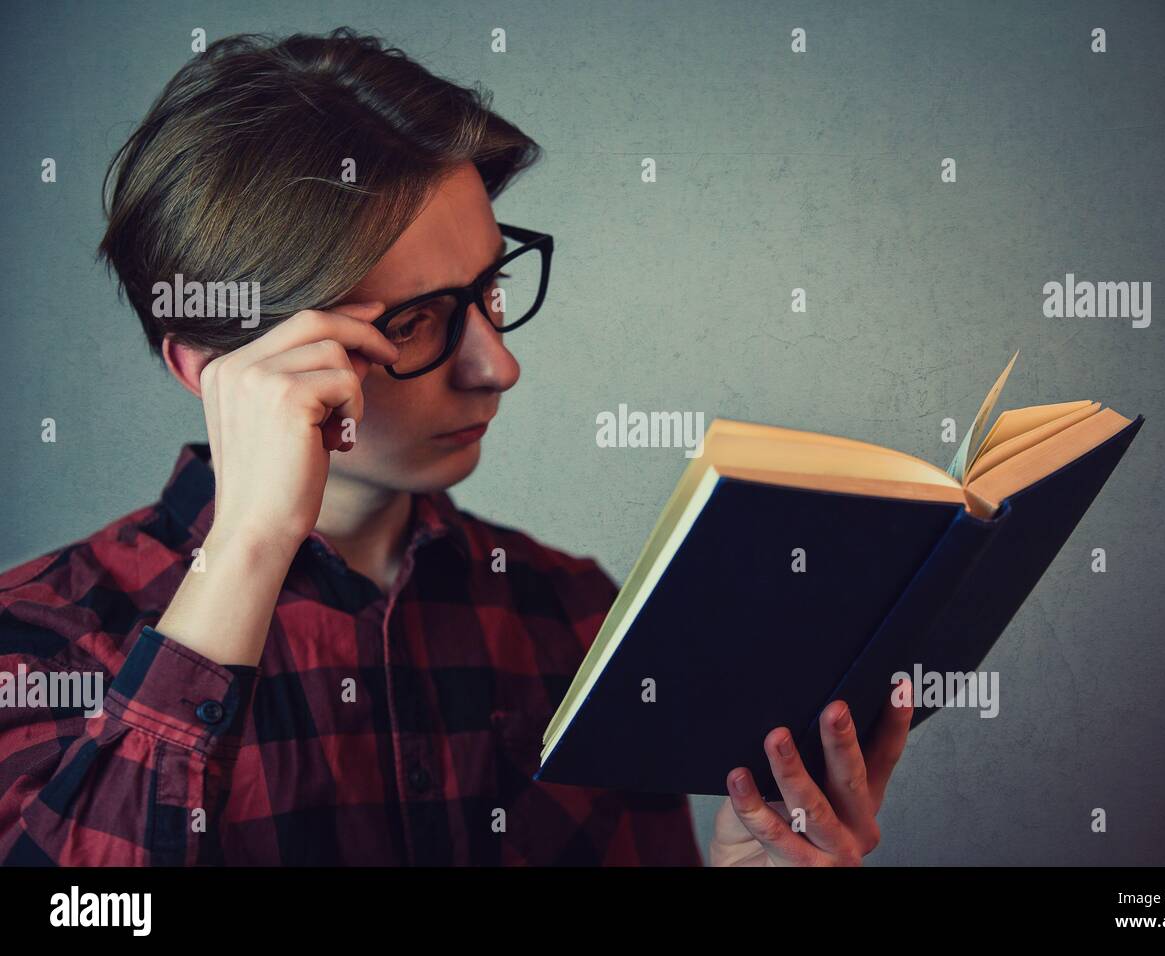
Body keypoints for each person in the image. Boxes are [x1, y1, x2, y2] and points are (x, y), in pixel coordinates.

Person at [0, 27, 912, 866]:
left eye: (490, 290)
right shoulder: (40, 645)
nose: (498, 366)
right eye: (415, 321)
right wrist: (245, 547)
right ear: (214, 368)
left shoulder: (574, 618)